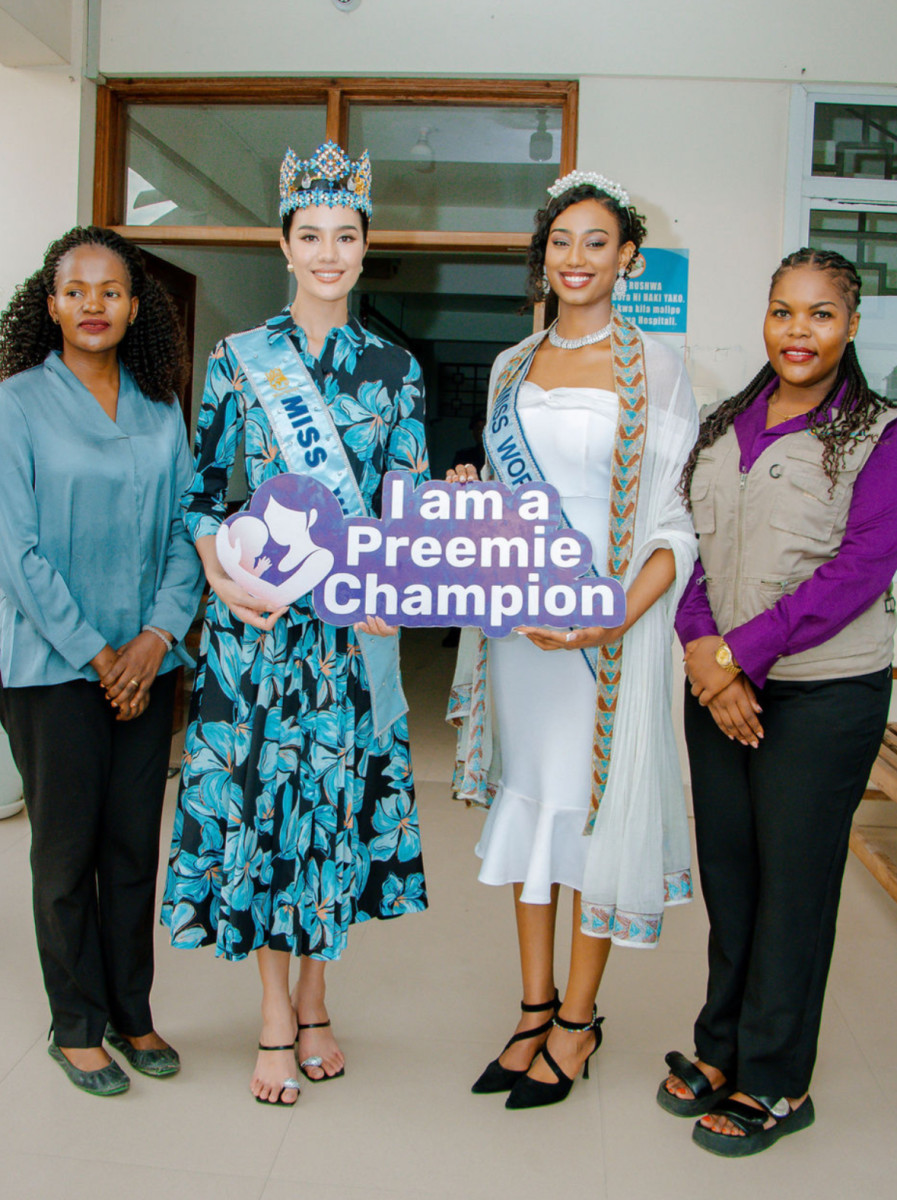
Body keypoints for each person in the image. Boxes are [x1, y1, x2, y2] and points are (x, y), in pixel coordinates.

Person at [161, 142, 429, 1106]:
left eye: (345, 238)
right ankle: (277, 1012)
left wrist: (449, 511)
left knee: (331, 818)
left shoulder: (396, 370)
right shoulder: (239, 361)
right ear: (284, 245)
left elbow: (408, 510)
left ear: (365, 250)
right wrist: (219, 578)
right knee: (266, 813)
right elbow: (198, 495)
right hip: (260, 634)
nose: (328, 254)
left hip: (350, 641)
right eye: (309, 236)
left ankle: (318, 1000)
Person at [447, 171, 698, 1108]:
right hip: (522, 630)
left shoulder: (658, 369)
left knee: (589, 817)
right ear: (542, 256)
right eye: (561, 242)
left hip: (603, 629)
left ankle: (579, 1023)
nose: (576, 259)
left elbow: (674, 525)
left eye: (596, 243)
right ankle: (531, 1008)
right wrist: (470, 494)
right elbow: (504, 507)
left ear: (627, 257)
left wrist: (614, 614)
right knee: (534, 807)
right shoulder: (513, 364)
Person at [659, 248, 897, 1156]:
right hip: (718, 688)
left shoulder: (878, 433)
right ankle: (720, 1047)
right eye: (782, 312)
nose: (798, 332)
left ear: (849, 324)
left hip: (821, 698)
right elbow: (691, 552)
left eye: (819, 315)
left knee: (792, 892)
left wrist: (734, 661)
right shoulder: (726, 423)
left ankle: (777, 1080)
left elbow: (856, 572)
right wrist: (702, 656)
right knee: (732, 880)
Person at [0, 226, 202, 1095]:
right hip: (51, 670)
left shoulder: (161, 408)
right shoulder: (13, 405)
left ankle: (133, 1012)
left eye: (110, 291)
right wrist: (96, 653)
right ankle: (75, 1022)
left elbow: (189, 534)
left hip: (147, 667)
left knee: (130, 848)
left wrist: (155, 640)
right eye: (75, 290)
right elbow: (17, 550)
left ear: (133, 307)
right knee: (65, 850)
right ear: (49, 305)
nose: (92, 305)